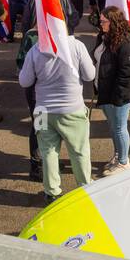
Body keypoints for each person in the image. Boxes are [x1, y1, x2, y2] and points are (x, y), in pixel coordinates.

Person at [19, 27, 97, 202]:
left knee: (47, 152)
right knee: (79, 152)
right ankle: (85, 188)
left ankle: (52, 192)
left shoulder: (35, 49)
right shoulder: (77, 46)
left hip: (42, 111)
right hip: (72, 109)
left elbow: (25, 81)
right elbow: (90, 75)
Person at [94, 6, 130, 175]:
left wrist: (118, 96)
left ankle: (123, 162)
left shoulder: (126, 41)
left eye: (103, 21)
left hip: (119, 94)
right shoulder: (103, 36)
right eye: (100, 21)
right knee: (113, 126)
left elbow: (127, 73)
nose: (100, 24)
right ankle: (118, 154)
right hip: (106, 91)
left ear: (112, 22)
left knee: (120, 127)